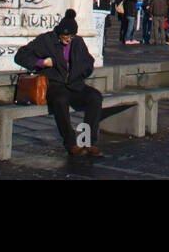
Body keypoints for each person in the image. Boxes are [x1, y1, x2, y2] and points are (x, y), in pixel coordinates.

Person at [15, 9, 104, 157]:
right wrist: (42, 62)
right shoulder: (46, 41)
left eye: (71, 36)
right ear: (59, 33)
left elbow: (89, 62)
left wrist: (81, 72)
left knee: (95, 97)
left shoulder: (78, 42)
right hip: (56, 85)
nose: (68, 39)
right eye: (66, 36)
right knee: (60, 101)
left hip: (75, 84)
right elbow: (21, 56)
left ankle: (87, 142)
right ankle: (70, 143)